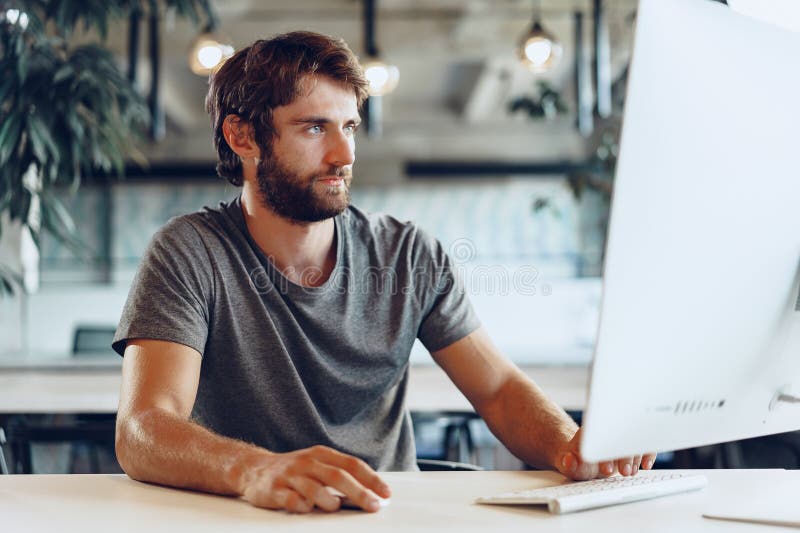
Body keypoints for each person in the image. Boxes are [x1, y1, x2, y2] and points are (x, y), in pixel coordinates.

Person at [113, 31, 655, 514]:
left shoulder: (408, 253)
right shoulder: (189, 251)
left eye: (349, 126)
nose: (344, 153)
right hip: (248, 515)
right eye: (314, 128)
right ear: (242, 137)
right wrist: (255, 470)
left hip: (387, 514)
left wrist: (569, 446)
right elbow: (143, 428)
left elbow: (498, 390)